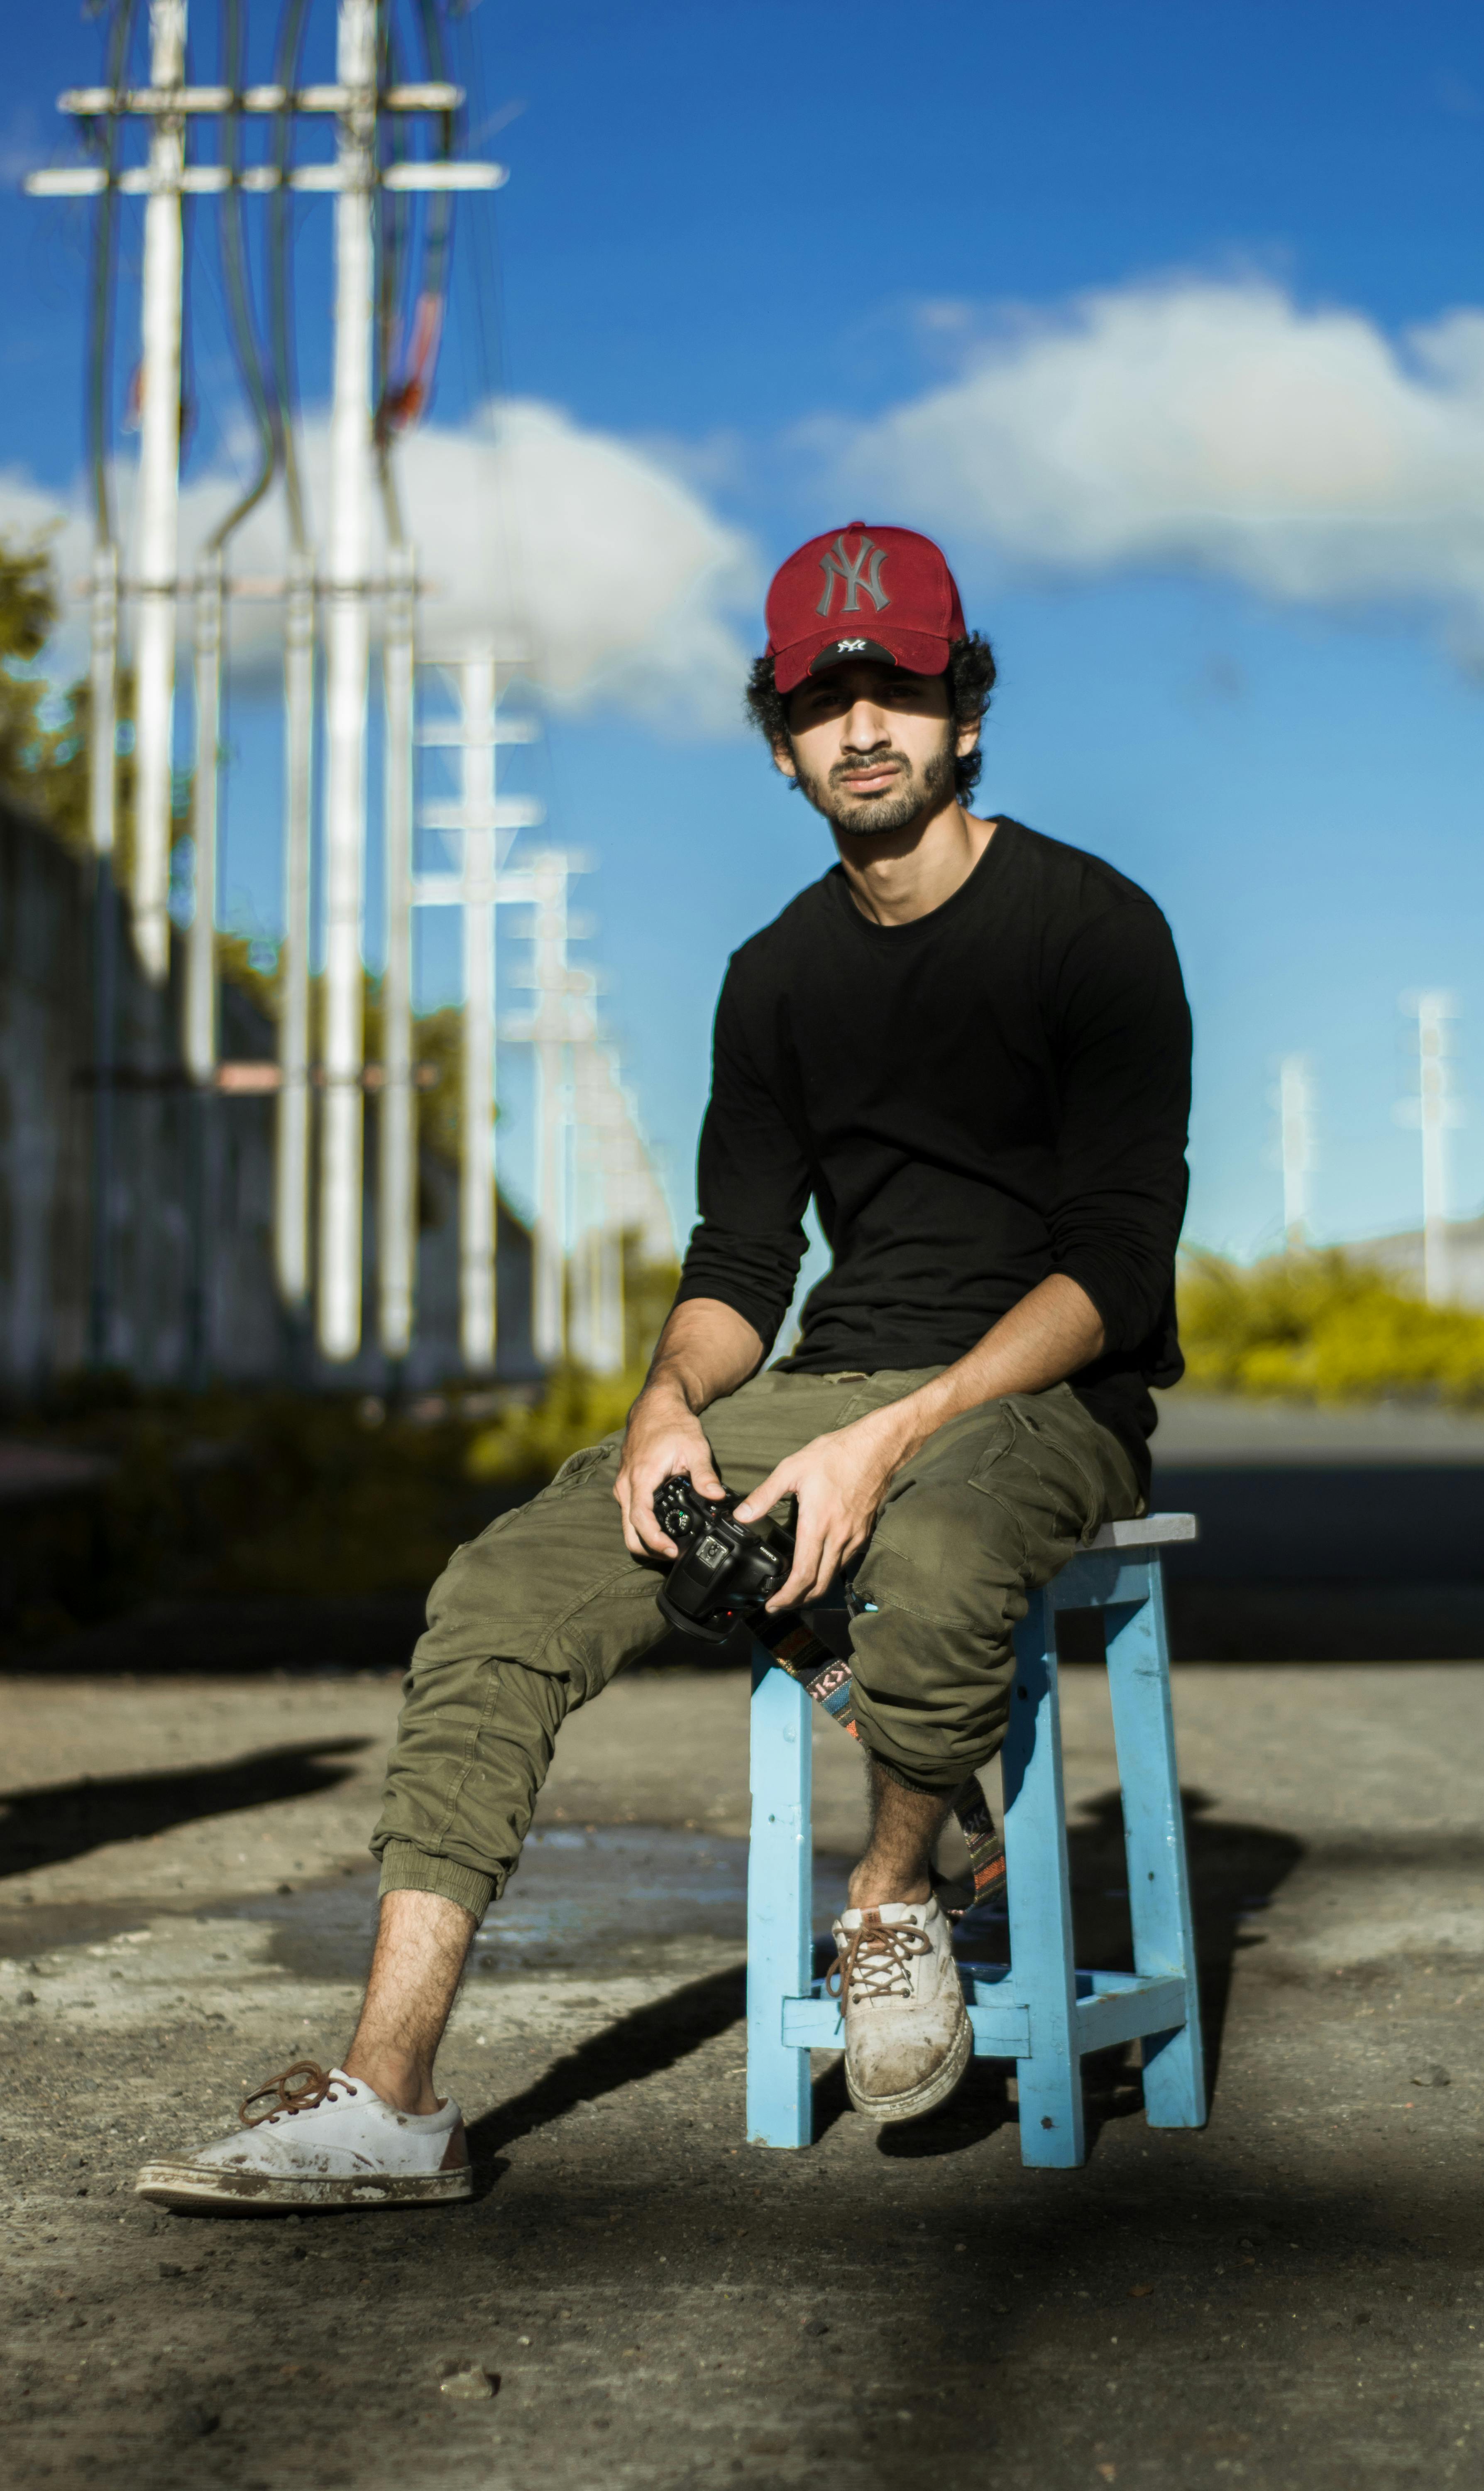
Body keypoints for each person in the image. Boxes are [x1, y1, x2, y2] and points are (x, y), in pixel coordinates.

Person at [136, 522, 1191, 2212]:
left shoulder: (1089, 929)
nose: (861, 727)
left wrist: (895, 1437)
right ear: (778, 737)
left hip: (1040, 1396)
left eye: (896, 690)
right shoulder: (771, 979)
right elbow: (740, 1265)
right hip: (829, 1374)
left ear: (961, 712)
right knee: (500, 1592)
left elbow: (1116, 1266)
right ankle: (389, 2098)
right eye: (822, 700)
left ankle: (893, 1898)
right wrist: (665, 1410)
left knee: (920, 1557)